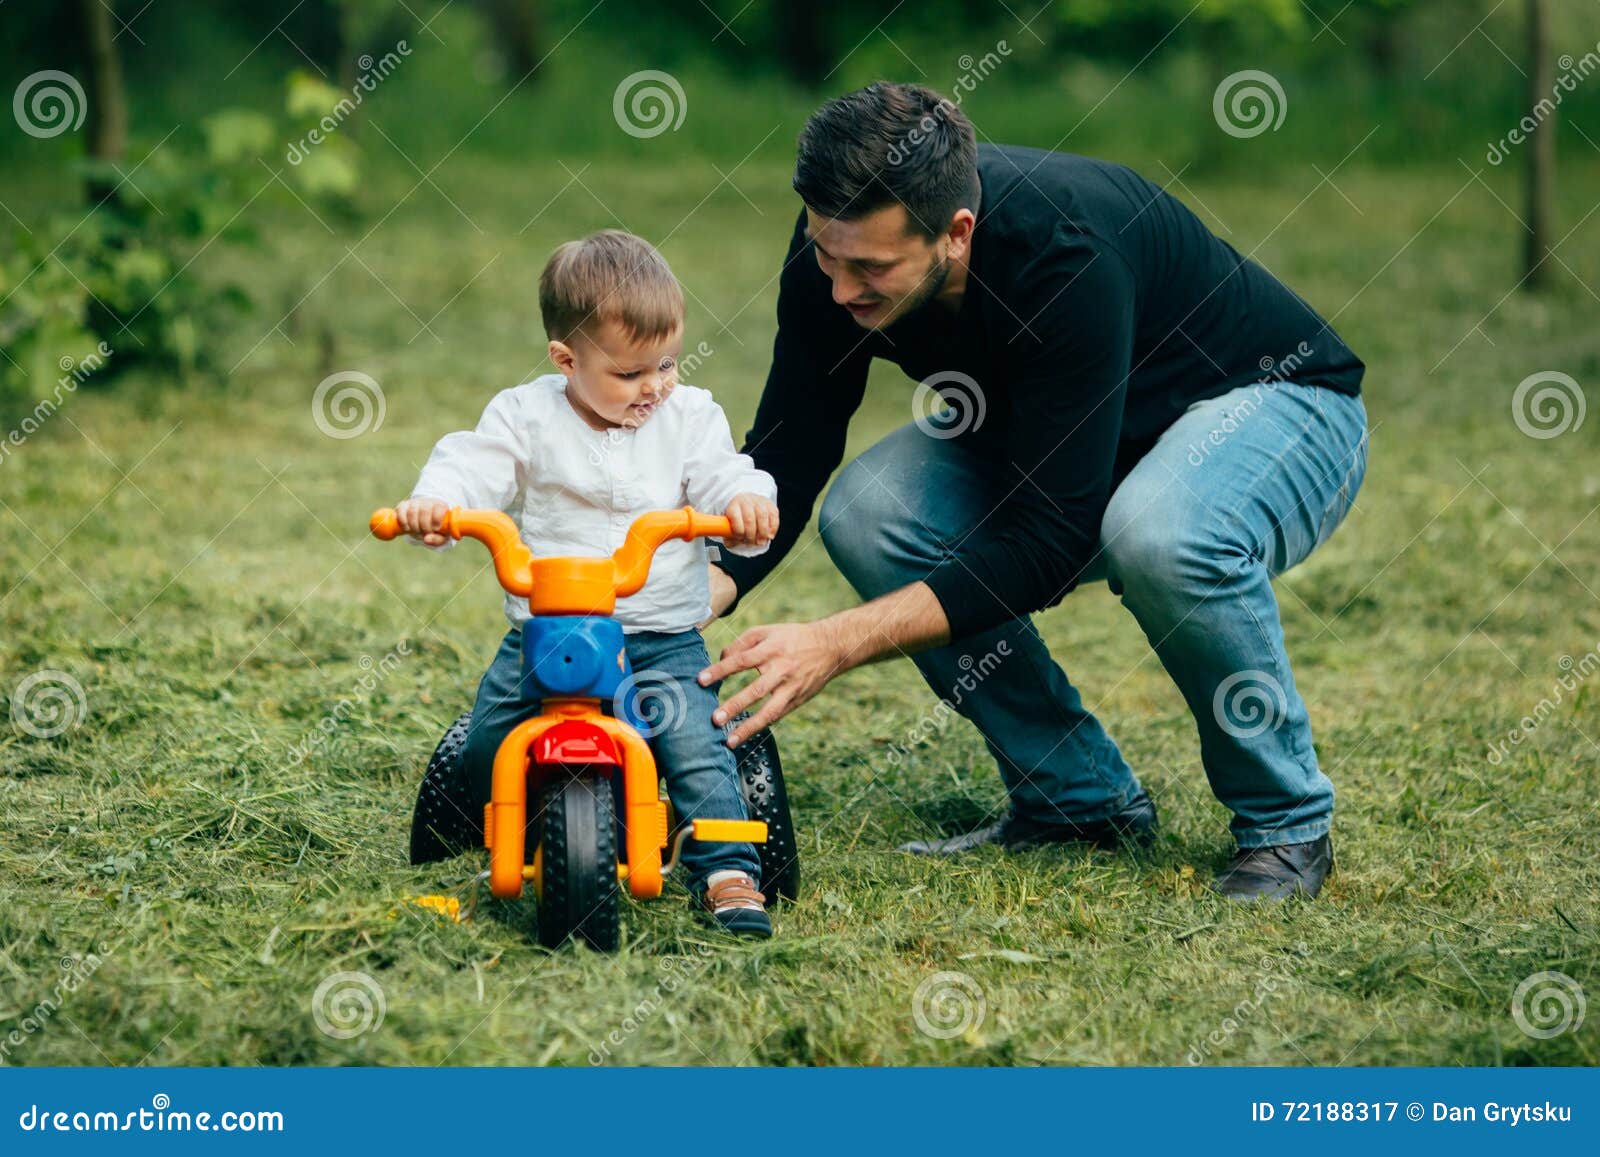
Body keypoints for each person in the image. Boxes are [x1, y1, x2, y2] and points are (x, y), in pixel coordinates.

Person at [699, 83, 1369, 902]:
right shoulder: (837, 252)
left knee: (1158, 531)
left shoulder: (1065, 252)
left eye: (870, 269)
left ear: (957, 234)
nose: (839, 291)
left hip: (1280, 408)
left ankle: (1285, 822)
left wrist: (838, 640)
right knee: (868, 511)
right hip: (1077, 437)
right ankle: (1077, 799)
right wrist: (698, 589)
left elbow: (1048, 539)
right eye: (826, 256)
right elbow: (788, 451)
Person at [393, 230, 781, 937]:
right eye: (631, 373)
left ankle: (726, 870)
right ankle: (514, 822)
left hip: (660, 630)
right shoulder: (527, 414)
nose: (654, 386)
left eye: (665, 363)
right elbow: (473, 462)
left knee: (695, 742)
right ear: (566, 360)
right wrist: (439, 501)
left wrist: (744, 502)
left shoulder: (688, 416)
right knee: (488, 736)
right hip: (547, 632)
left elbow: (725, 472)